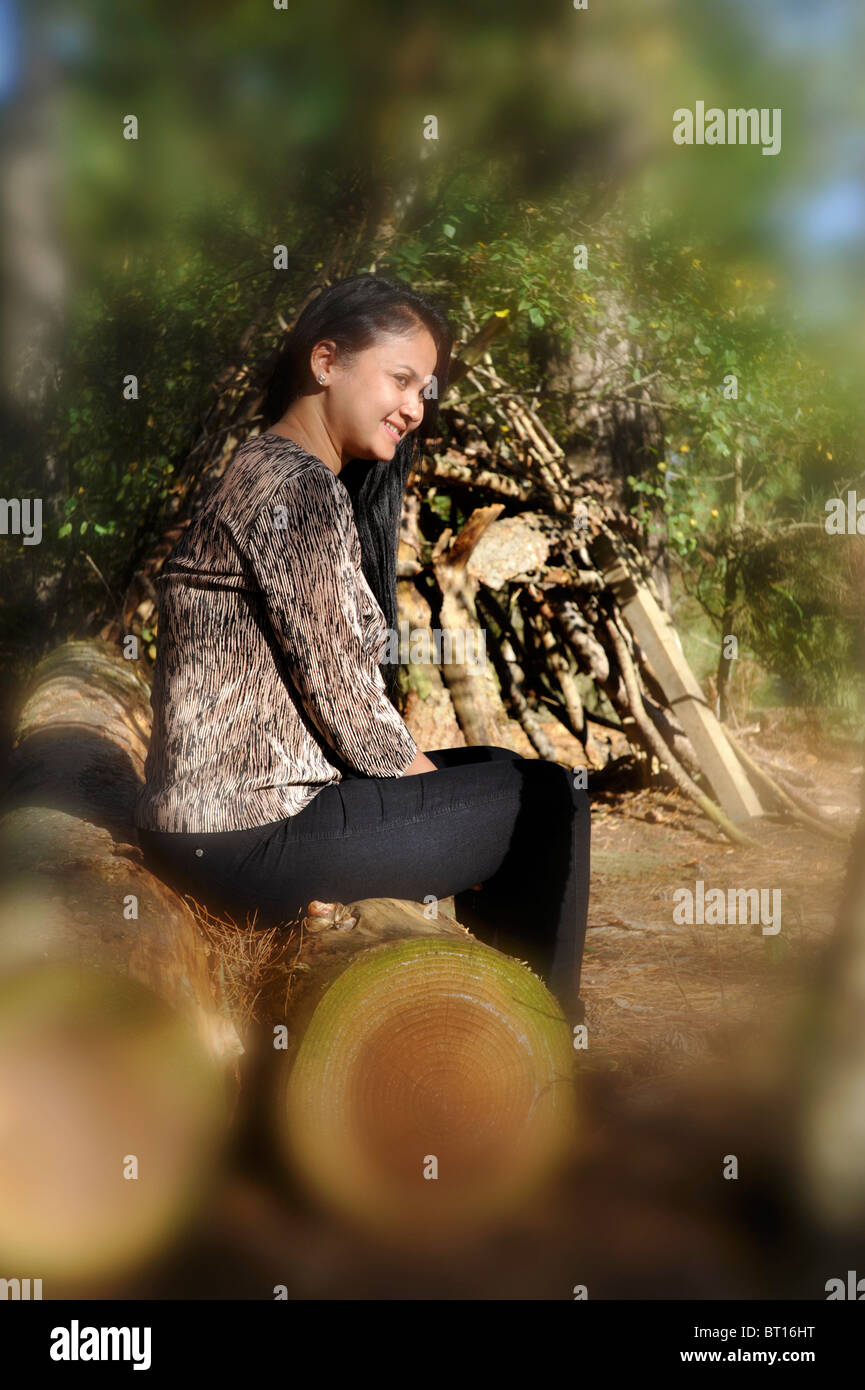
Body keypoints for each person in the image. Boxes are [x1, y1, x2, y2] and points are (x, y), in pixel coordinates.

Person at [134, 272, 591, 1024]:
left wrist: (441, 800)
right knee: (551, 801)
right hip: (245, 838)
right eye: (401, 379)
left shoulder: (271, 470)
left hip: (226, 827)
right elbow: (341, 694)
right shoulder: (293, 487)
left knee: (499, 771)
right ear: (325, 363)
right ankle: (542, 1038)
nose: (415, 407)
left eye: (425, 389)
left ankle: (482, 1022)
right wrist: (424, 795)